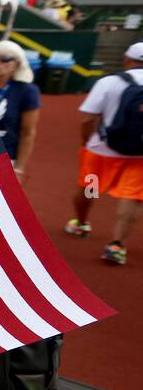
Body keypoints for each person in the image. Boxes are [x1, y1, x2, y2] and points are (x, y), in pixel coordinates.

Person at [67, 42, 143, 265]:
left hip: (102, 150)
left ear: (127, 59)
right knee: (133, 196)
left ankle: (81, 224)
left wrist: (86, 141)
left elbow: (89, 118)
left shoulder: (108, 82)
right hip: (140, 154)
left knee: (90, 187)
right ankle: (116, 245)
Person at [0, 40, 40, 184]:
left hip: (4, 160)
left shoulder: (26, 91)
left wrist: (19, 169)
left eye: (5, 59)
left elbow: (28, 133)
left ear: (17, 64)